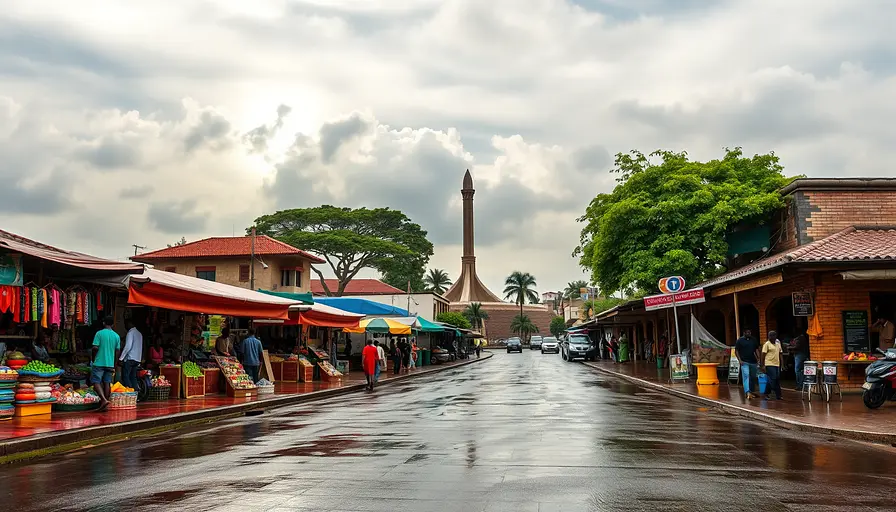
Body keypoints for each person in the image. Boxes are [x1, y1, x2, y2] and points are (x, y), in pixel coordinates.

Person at [92, 316, 121, 411]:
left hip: (99, 362)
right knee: (107, 382)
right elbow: (117, 351)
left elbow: (95, 347)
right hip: (110, 363)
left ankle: (103, 400)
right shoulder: (116, 336)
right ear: (113, 324)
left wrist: (93, 358)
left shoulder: (99, 333)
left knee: (96, 381)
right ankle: (105, 402)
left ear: (103, 323)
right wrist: (115, 365)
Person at [735, 329, 760, 399]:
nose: (749, 333)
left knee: (753, 377)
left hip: (753, 361)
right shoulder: (740, 340)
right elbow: (736, 351)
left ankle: (752, 391)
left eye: (750, 332)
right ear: (744, 333)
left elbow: (757, 349)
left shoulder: (753, 340)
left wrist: (758, 359)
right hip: (744, 361)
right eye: (747, 332)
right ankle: (747, 392)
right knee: (746, 376)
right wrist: (740, 360)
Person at [119, 320, 143, 389]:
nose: (125, 326)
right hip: (137, 359)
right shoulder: (139, 333)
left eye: (126, 324)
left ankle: (129, 391)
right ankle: (136, 393)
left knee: (125, 376)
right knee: (133, 377)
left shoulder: (130, 333)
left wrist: (121, 358)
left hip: (130, 359)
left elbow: (128, 346)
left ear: (130, 324)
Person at [761, 331, 783, 400]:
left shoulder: (778, 344)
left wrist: (782, 364)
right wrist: (762, 365)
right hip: (769, 363)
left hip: (777, 364)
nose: (771, 337)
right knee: (773, 378)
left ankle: (778, 395)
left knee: (777, 379)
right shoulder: (766, 344)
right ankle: (766, 393)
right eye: (770, 336)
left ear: (775, 336)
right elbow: (763, 355)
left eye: (773, 335)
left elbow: (780, 354)